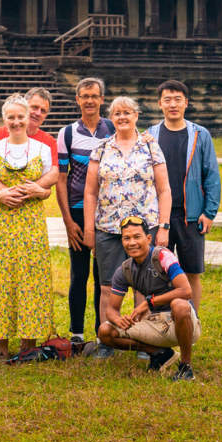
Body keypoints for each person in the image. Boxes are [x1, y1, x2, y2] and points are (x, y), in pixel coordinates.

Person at [83, 95, 171, 359]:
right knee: (107, 286)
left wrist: (164, 226)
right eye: (117, 113)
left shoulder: (151, 146)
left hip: (144, 228)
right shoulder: (102, 148)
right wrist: (89, 229)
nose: (122, 117)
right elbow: (90, 192)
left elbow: (164, 189)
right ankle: (106, 340)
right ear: (111, 118)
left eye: (127, 112)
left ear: (136, 116)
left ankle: (143, 340)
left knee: (143, 287)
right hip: (108, 228)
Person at [0, 93, 58, 361]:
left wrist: (39, 190)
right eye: (11, 117)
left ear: (27, 117)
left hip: (31, 223)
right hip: (3, 221)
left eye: (20, 116)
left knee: (31, 279)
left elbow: (50, 184)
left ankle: (28, 345)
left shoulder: (42, 149)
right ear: (4, 119)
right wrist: (1, 194)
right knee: (1, 279)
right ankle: (1, 346)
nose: (16, 121)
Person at [143, 80, 221, 311]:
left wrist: (209, 213)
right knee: (158, 271)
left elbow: (211, 174)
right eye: (167, 100)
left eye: (178, 99)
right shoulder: (150, 135)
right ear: (159, 104)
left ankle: (192, 320)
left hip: (191, 215)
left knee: (191, 272)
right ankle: (162, 321)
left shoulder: (200, 134)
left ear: (186, 103)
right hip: (159, 216)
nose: (173, 105)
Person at [96, 214, 200, 381]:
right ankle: (160, 354)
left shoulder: (162, 256)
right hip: (154, 322)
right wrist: (118, 320)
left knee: (179, 305)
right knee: (105, 331)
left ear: (149, 238)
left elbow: (186, 291)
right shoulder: (124, 270)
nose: (132, 243)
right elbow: (111, 309)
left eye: (137, 237)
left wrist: (149, 303)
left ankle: (185, 366)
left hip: (181, 322)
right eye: (126, 238)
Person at [55, 77, 114, 345]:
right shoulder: (67, 133)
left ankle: (103, 332)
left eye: (94, 96)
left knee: (105, 277)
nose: (89, 101)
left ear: (102, 99)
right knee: (79, 274)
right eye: (84, 96)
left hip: (108, 213)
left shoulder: (113, 129)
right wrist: (68, 221)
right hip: (77, 211)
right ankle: (77, 333)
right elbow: (61, 179)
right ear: (77, 100)